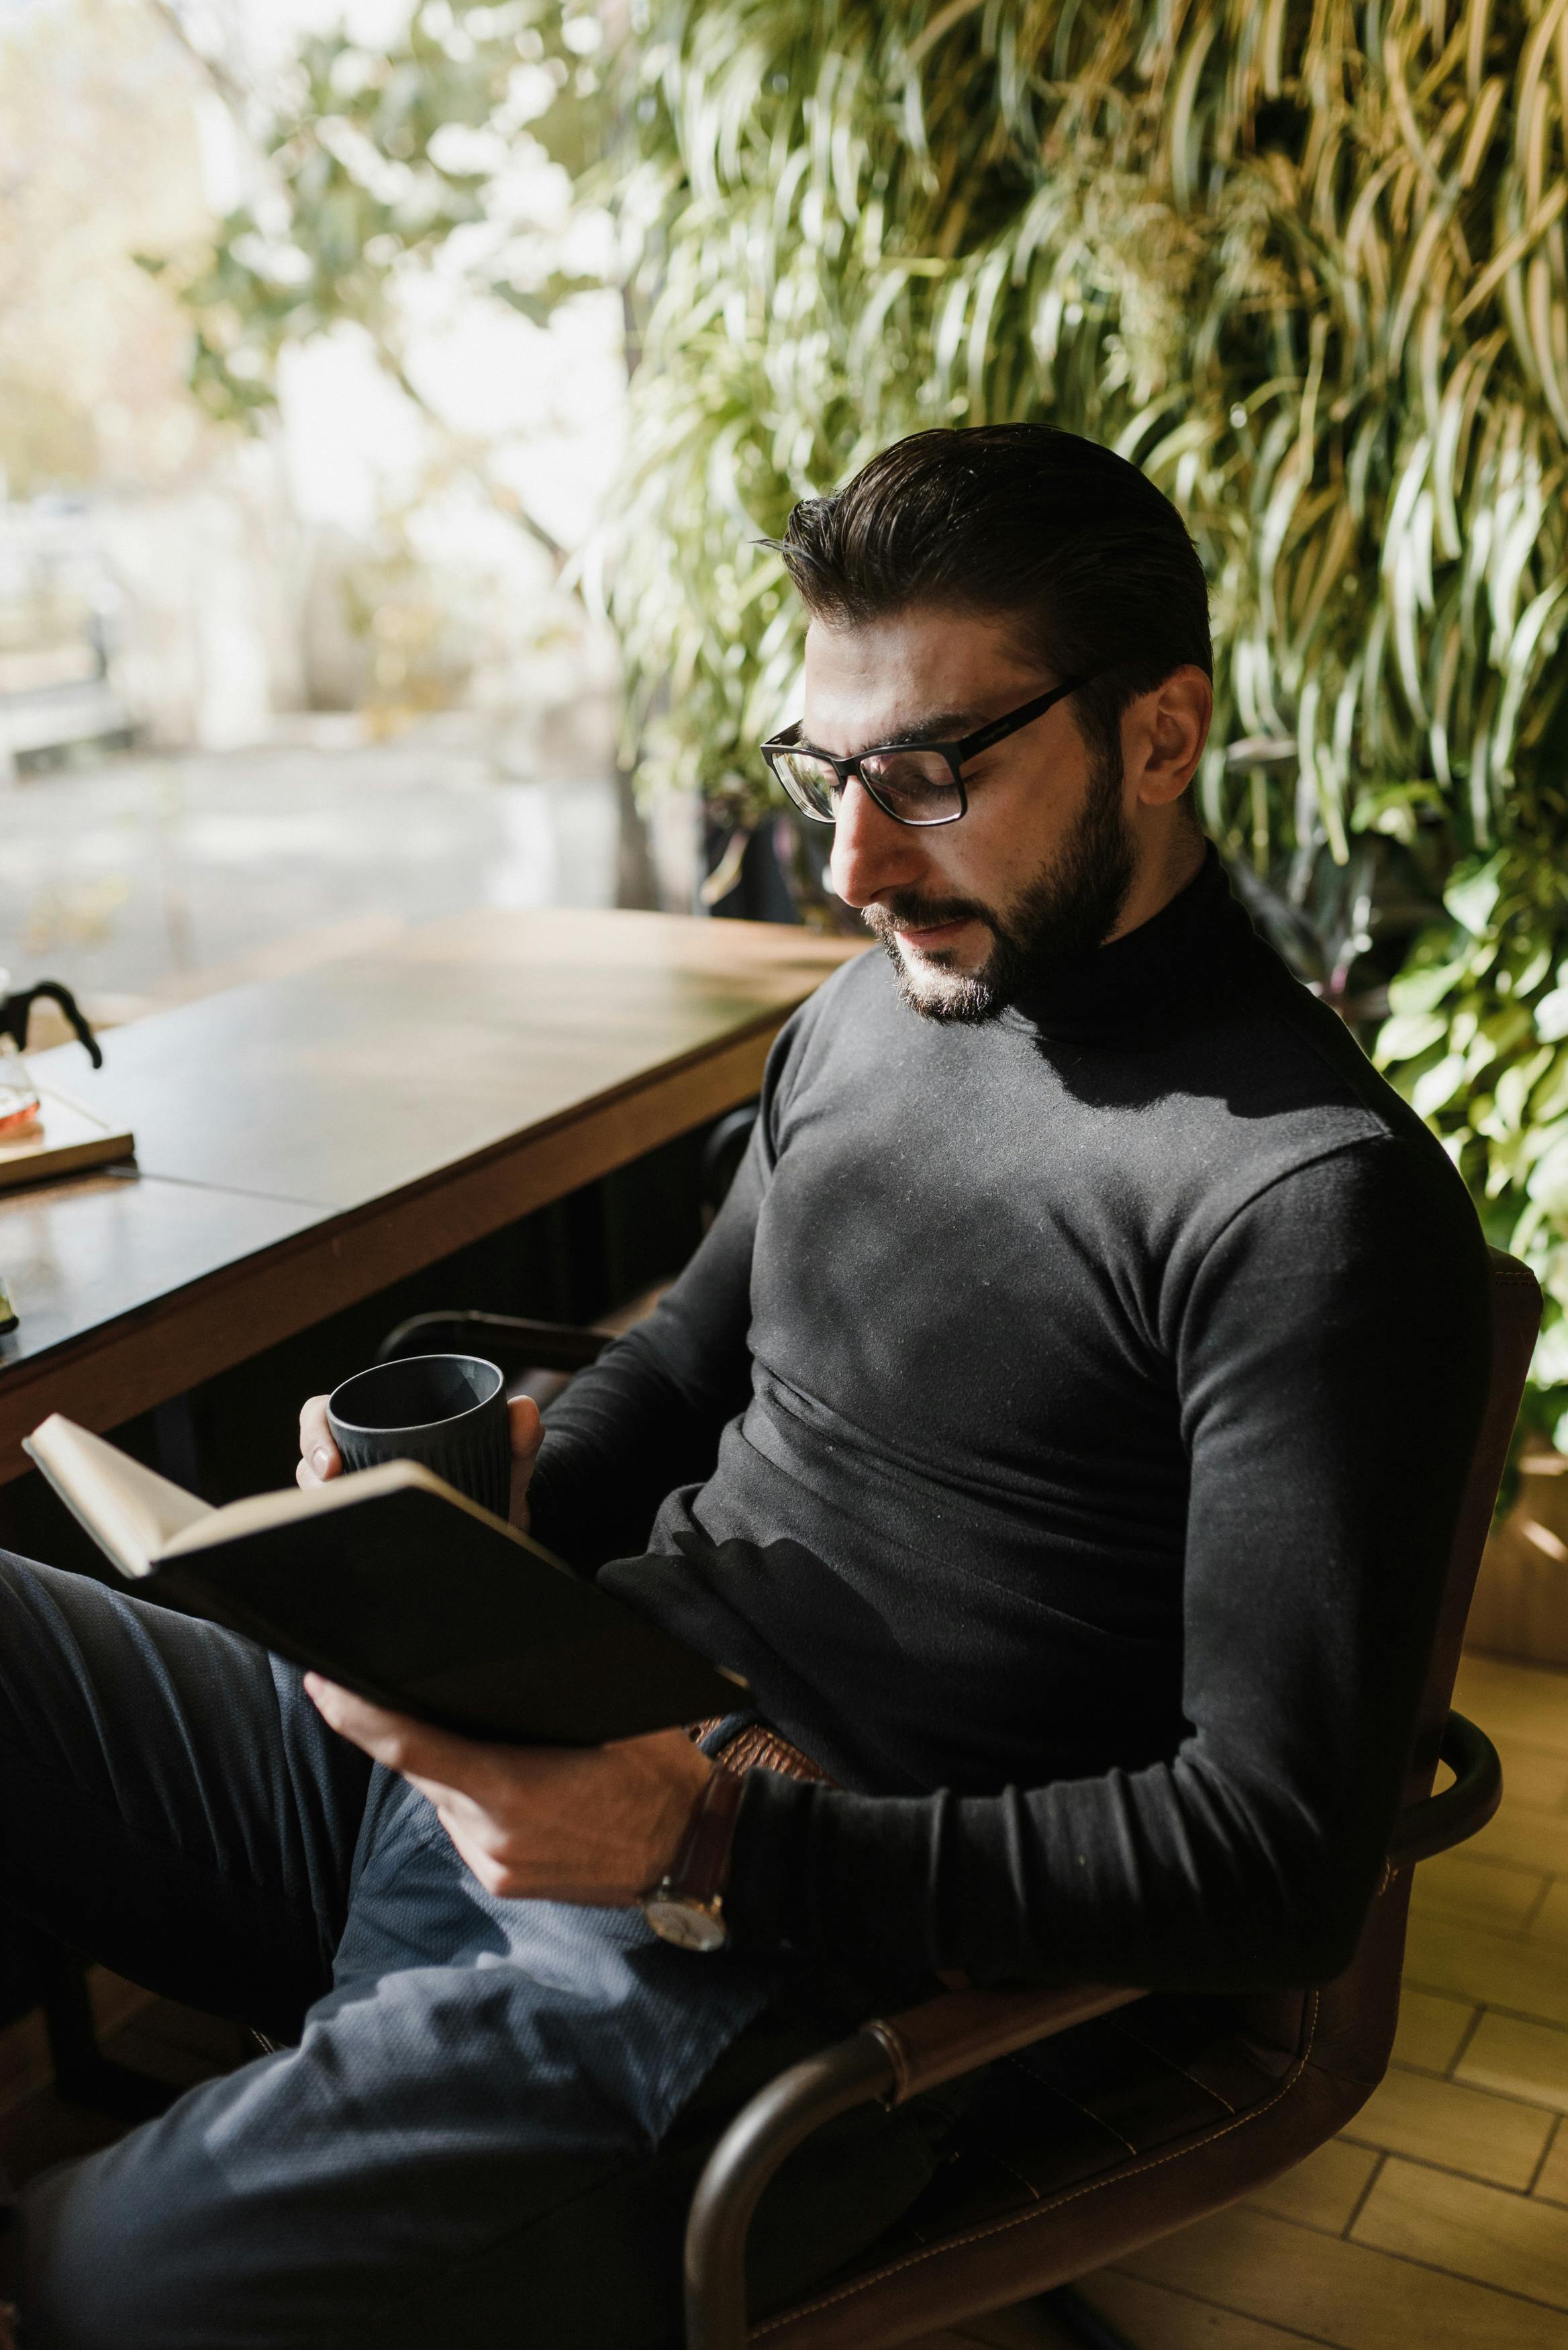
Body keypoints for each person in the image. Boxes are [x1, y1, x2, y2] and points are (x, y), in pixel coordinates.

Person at [2, 426, 1489, 2348]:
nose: (857, 860)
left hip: (781, 1957)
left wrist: (703, 1839)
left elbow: (1272, 1865)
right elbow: (686, 1370)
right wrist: (461, 1524)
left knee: (94, 2286)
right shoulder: (868, 1015)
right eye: (829, 772)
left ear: (1162, 733)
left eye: (934, 775)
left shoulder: (1306, 1206)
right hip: (536, 1757)